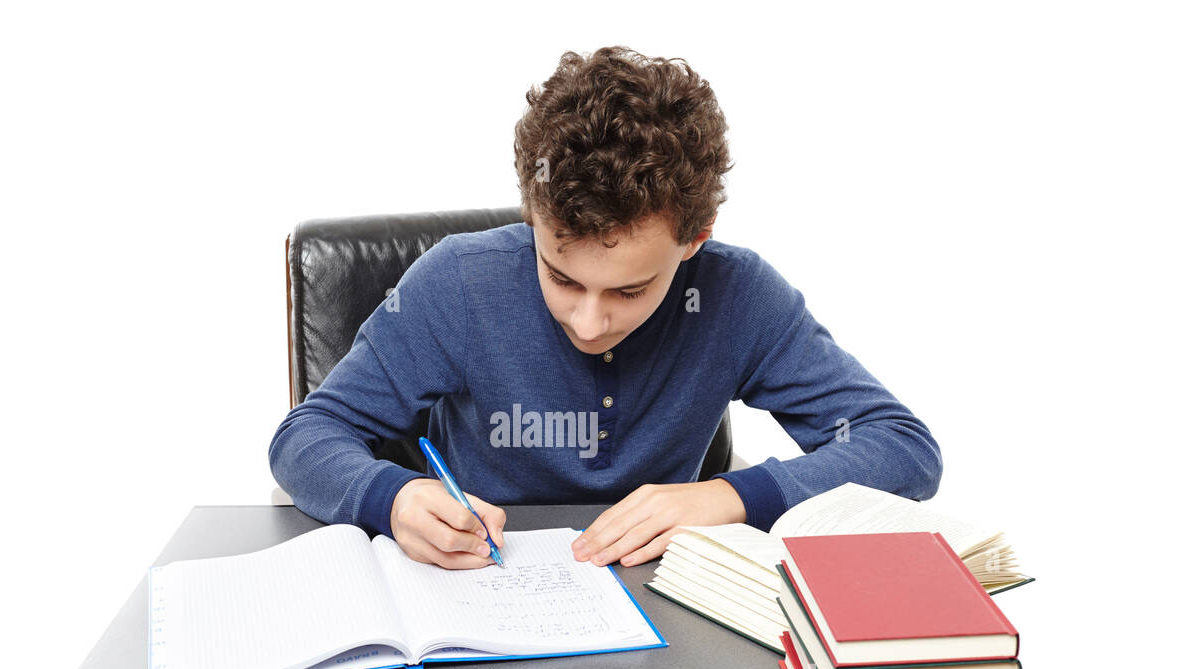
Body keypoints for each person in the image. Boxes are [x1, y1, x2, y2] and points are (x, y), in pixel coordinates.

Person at [269, 46, 941, 570]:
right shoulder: (459, 284)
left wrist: (732, 497)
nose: (589, 324)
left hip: (663, 601)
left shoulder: (737, 296)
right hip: (477, 584)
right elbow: (306, 437)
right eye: (561, 278)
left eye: (629, 291)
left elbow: (902, 447)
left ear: (693, 242)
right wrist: (392, 498)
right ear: (533, 216)